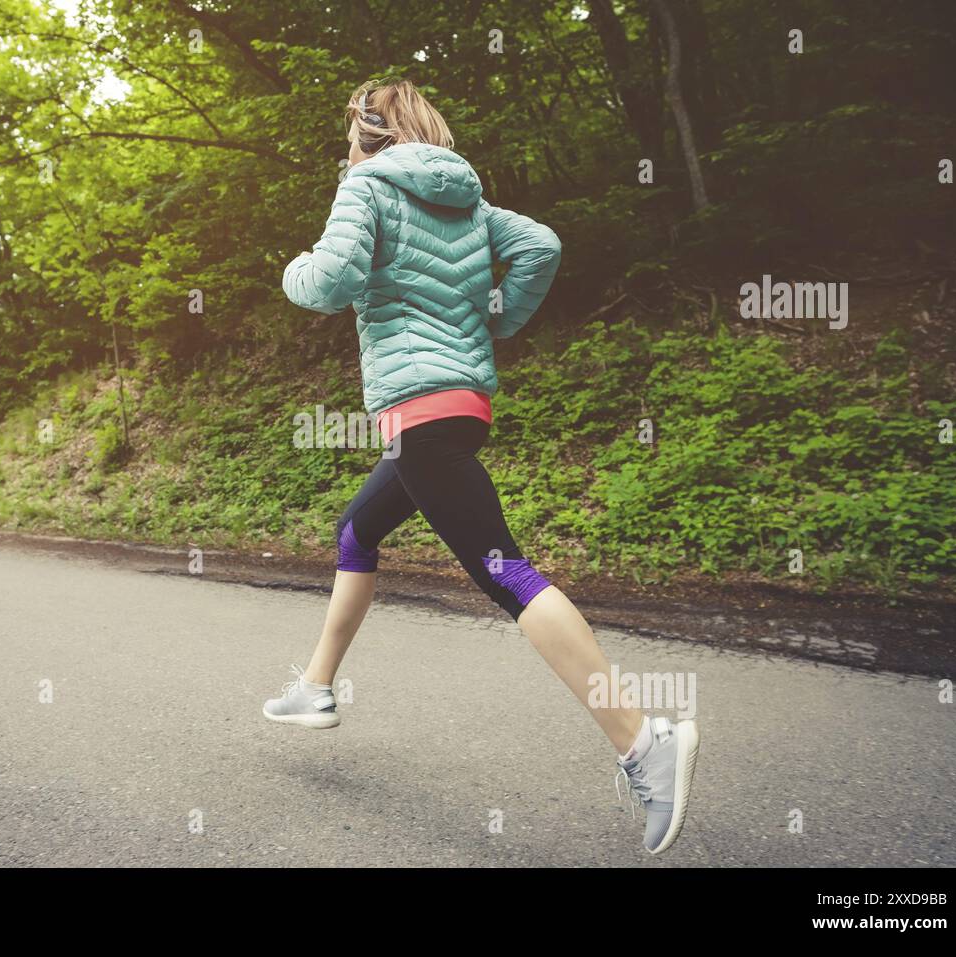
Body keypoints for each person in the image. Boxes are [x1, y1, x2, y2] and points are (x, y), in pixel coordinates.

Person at [266, 78, 699, 855]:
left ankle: (641, 739)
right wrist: (494, 319)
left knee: (507, 571)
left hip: (419, 414)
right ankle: (315, 686)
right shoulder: (465, 202)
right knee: (356, 530)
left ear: (366, 131)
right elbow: (541, 244)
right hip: (456, 407)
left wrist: (294, 267)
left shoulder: (363, 185)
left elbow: (328, 283)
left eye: (348, 131)